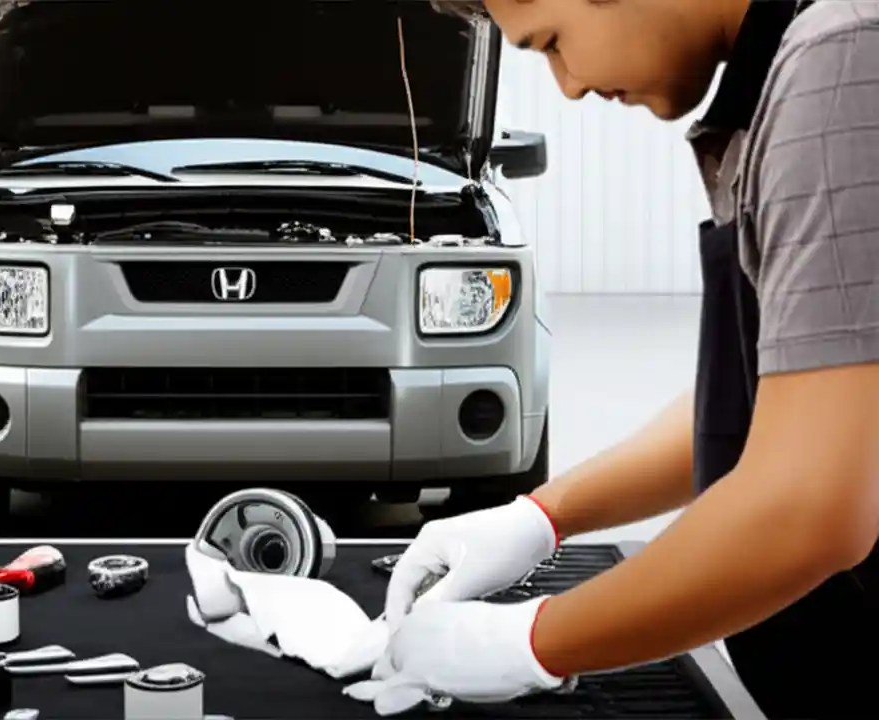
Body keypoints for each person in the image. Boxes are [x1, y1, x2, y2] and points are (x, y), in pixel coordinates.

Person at [354, 1, 879, 717]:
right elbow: (794, 392)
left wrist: (531, 642)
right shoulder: (803, 68)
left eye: (553, 43)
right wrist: (541, 517)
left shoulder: (839, 60)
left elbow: (809, 505)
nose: (567, 85)